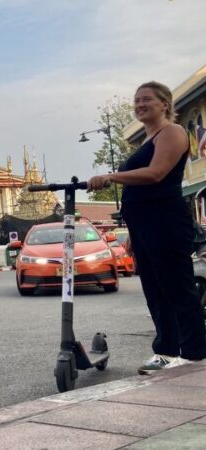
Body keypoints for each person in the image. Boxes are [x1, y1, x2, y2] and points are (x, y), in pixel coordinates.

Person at [88, 81, 206, 375]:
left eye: (146, 100)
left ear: (164, 103)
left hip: (165, 220)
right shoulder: (147, 138)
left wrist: (112, 176)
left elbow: (156, 174)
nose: (139, 105)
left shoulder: (173, 133)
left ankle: (193, 352)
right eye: (136, 101)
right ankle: (166, 350)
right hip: (143, 224)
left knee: (176, 286)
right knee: (154, 289)